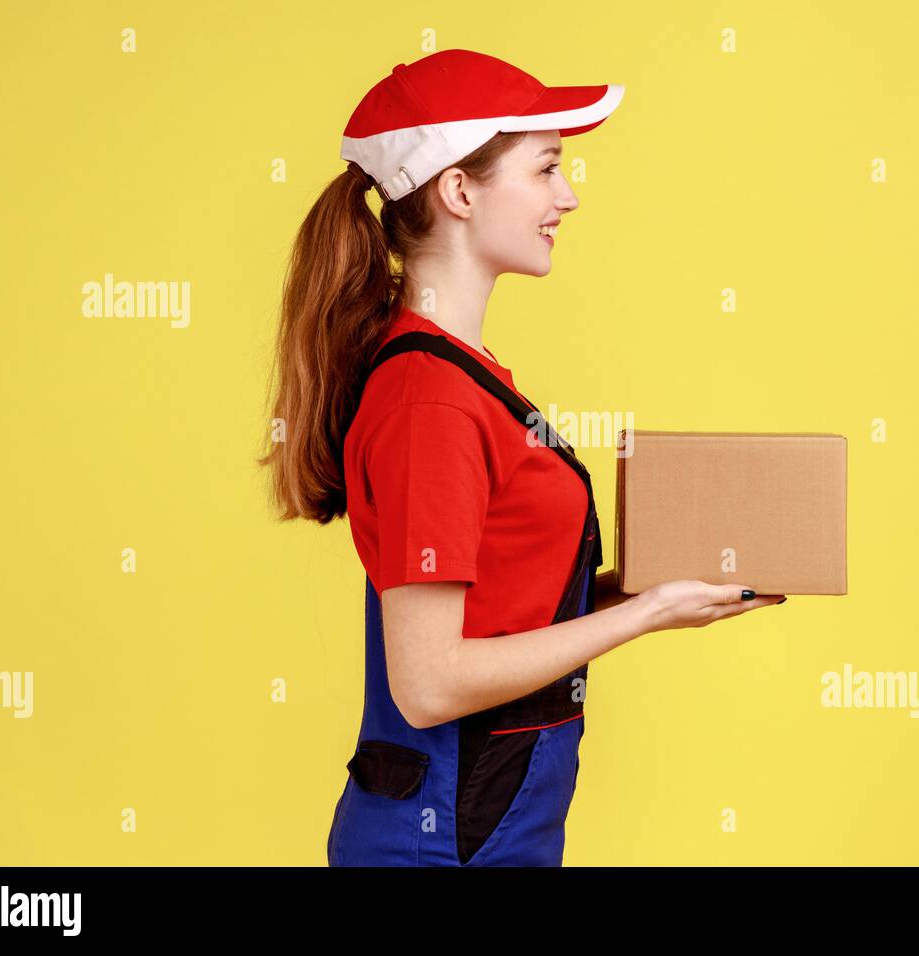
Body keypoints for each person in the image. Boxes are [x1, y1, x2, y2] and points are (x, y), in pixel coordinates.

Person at [259, 49, 784, 867]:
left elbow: (506, 605)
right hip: (442, 838)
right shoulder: (429, 403)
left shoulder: (464, 379)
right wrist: (642, 615)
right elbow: (430, 684)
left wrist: (655, 592)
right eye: (546, 169)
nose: (566, 197)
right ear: (459, 191)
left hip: (493, 823)